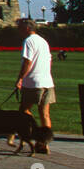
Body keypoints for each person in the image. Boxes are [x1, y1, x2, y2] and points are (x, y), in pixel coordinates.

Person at [16, 18, 55, 152]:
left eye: (20, 28)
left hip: (33, 83)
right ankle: (44, 143)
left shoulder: (28, 41)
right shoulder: (43, 41)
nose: (18, 31)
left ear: (27, 28)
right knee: (45, 114)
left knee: (24, 111)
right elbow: (50, 61)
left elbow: (28, 62)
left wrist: (20, 78)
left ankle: (37, 134)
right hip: (47, 82)